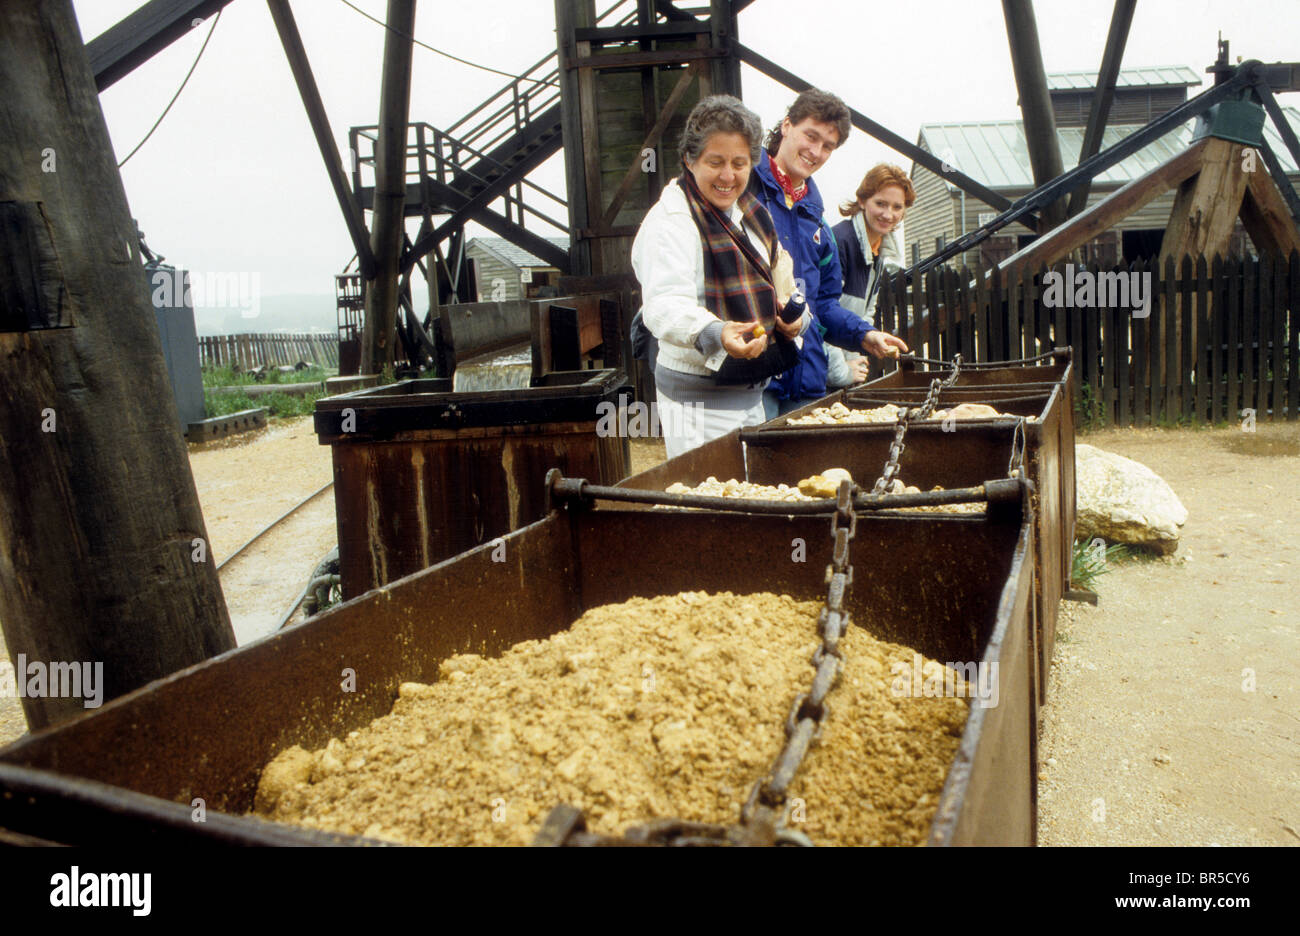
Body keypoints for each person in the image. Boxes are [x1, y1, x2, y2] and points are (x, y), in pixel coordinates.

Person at [630, 95, 810, 458]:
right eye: (716, 162)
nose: (728, 176)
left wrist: (796, 322)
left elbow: (785, 282)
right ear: (689, 160)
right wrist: (715, 332)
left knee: (747, 498)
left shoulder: (753, 214)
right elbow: (663, 304)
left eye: (739, 163)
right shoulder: (672, 221)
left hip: (749, 388)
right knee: (710, 503)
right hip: (696, 403)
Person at [749, 90, 909, 419]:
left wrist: (864, 334)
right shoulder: (745, 193)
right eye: (811, 136)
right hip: (753, 381)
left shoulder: (817, 220)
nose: (816, 151)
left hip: (805, 383)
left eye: (828, 146)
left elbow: (822, 305)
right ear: (787, 125)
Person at [826, 164, 915, 388]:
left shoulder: (878, 251)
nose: (888, 214)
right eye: (880, 204)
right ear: (862, 200)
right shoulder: (840, 242)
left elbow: (865, 313)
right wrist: (841, 372)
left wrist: (856, 355)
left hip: (846, 366)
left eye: (897, 207)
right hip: (823, 372)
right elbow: (823, 313)